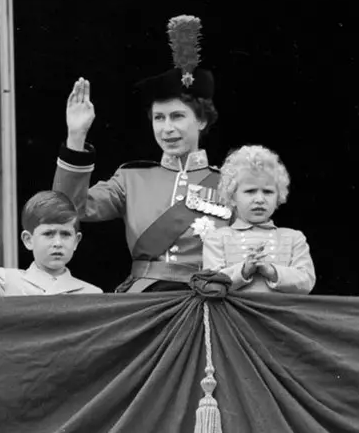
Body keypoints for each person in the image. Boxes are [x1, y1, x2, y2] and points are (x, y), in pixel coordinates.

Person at [51, 15, 230, 293]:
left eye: (177, 116)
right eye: (159, 118)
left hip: (209, 299)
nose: (167, 128)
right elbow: (68, 209)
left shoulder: (230, 183)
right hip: (145, 299)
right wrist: (76, 137)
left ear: (202, 121)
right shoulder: (130, 178)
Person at [202, 145, 316, 294]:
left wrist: (272, 272)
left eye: (268, 192)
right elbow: (210, 284)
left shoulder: (294, 238)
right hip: (233, 315)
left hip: (279, 315)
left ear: (278, 196)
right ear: (232, 197)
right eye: (250, 191)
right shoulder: (217, 238)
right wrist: (243, 270)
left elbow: (306, 281)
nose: (260, 199)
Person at [0, 190, 102, 298]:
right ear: (28, 240)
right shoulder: (7, 282)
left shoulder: (92, 294)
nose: (57, 243)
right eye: (48, 234)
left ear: (76, 241)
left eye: (66, 234)